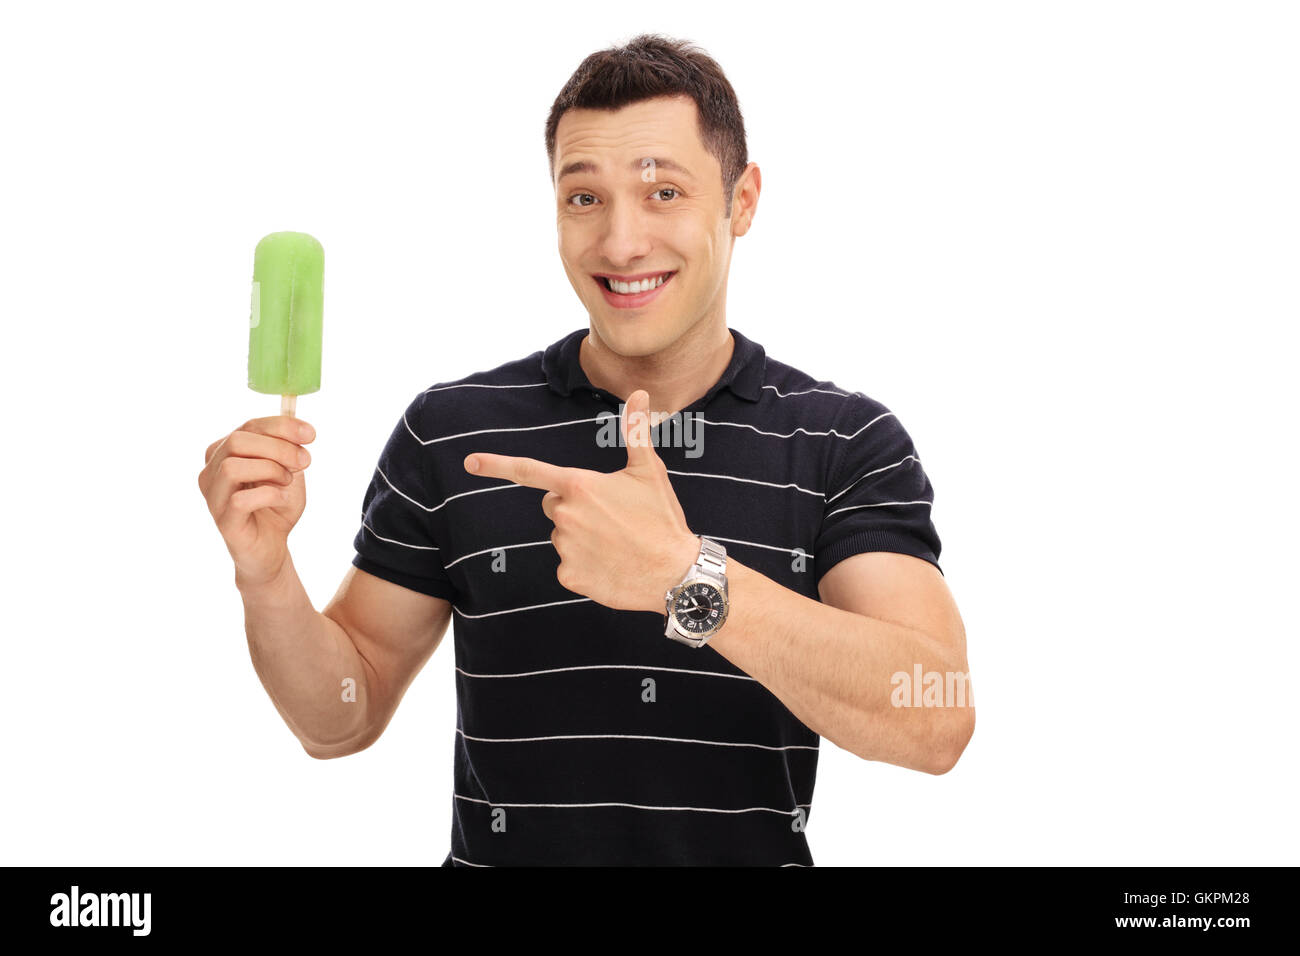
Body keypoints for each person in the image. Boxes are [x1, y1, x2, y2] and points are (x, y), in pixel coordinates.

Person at [198, 33, 973, 867]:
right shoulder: (455, 432)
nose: (620, 243)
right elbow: (338, 719)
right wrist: (266, 573)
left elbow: (934, 719)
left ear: (742, 201)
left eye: (664, 191)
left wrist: (685, 578)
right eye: (583, 199)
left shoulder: (841, 442)